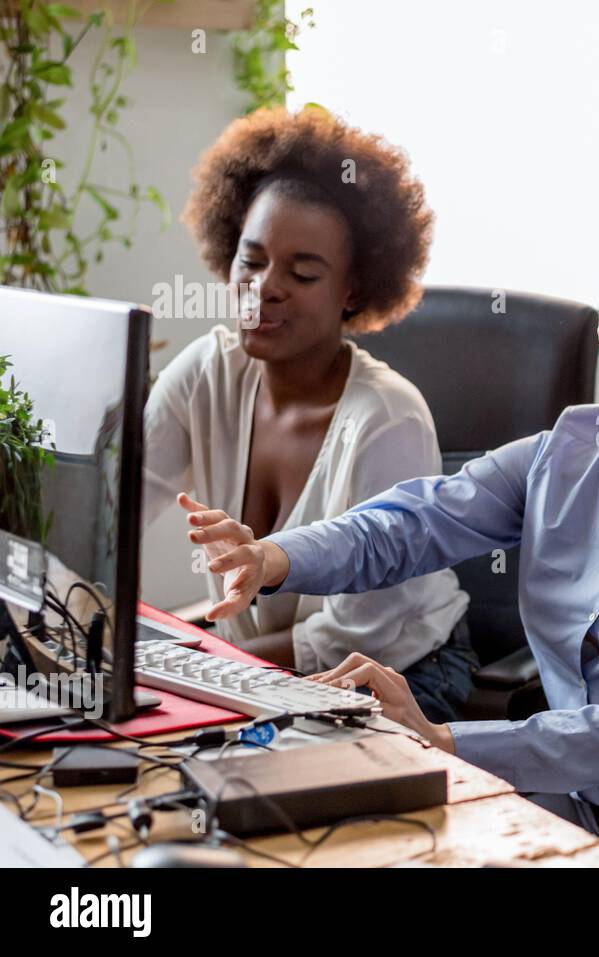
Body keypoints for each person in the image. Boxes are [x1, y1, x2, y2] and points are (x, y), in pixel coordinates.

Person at [175, 196, 599, 867]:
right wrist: (273, 556)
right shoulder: (571, 447)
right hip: (563, 808)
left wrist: (444, 738)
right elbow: (417, 520)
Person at [144, 108, 475, 722]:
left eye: (302, 273)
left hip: (399, 675)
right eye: (251, 260)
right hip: (263, 664)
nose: (265, 288)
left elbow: (357, 636)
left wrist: (182, 657)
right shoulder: (206, 373)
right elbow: (111, 510)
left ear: (352, 289)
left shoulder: (386, 420)